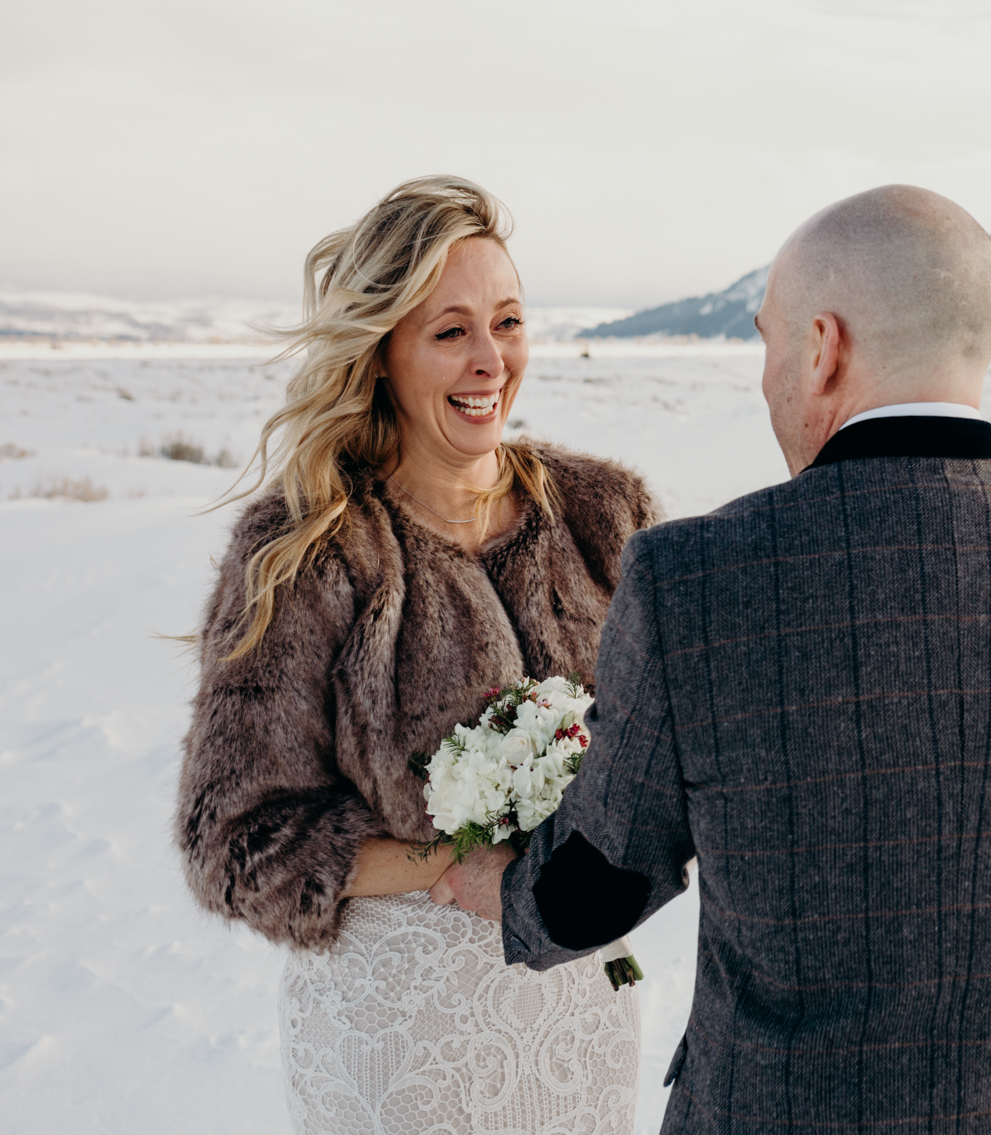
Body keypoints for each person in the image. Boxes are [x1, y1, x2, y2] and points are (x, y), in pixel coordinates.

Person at [432, 184, 991, 1133]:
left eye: (768, 341)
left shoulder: (695, 577)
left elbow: (600, 882)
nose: (767, 379)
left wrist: (505, 892)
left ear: (822, 347)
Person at [174, 176, 659, 1134]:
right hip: (401, 1040)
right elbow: (231, 841)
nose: (491, 360)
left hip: (580, 1026)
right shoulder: (309, 548)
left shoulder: (606, 516)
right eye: (450, 331)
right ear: (382, 354)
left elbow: (673, 756)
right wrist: (450, 862)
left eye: (508, 321)